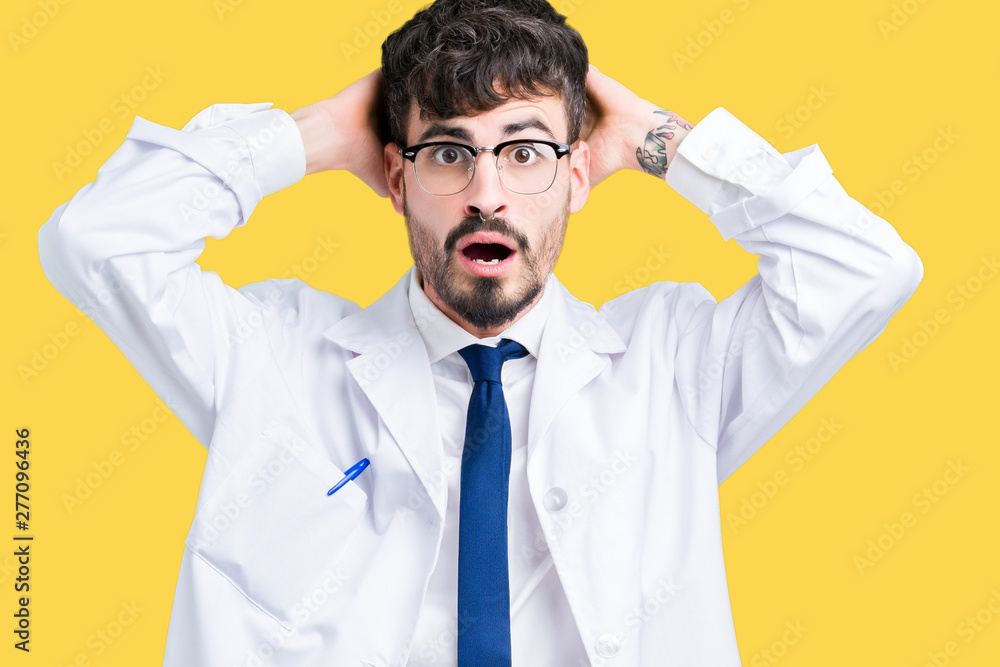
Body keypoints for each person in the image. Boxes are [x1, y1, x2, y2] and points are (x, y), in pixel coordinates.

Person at [37, 0, 922, 665]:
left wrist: (659, 141)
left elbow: (866, 268)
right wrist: (309, 136)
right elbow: (95, 240)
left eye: (526, 150)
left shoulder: (672, 363)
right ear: (393, 175)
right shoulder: (272, 355)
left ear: (580, 174)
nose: (487, 193)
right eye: (448, 152)